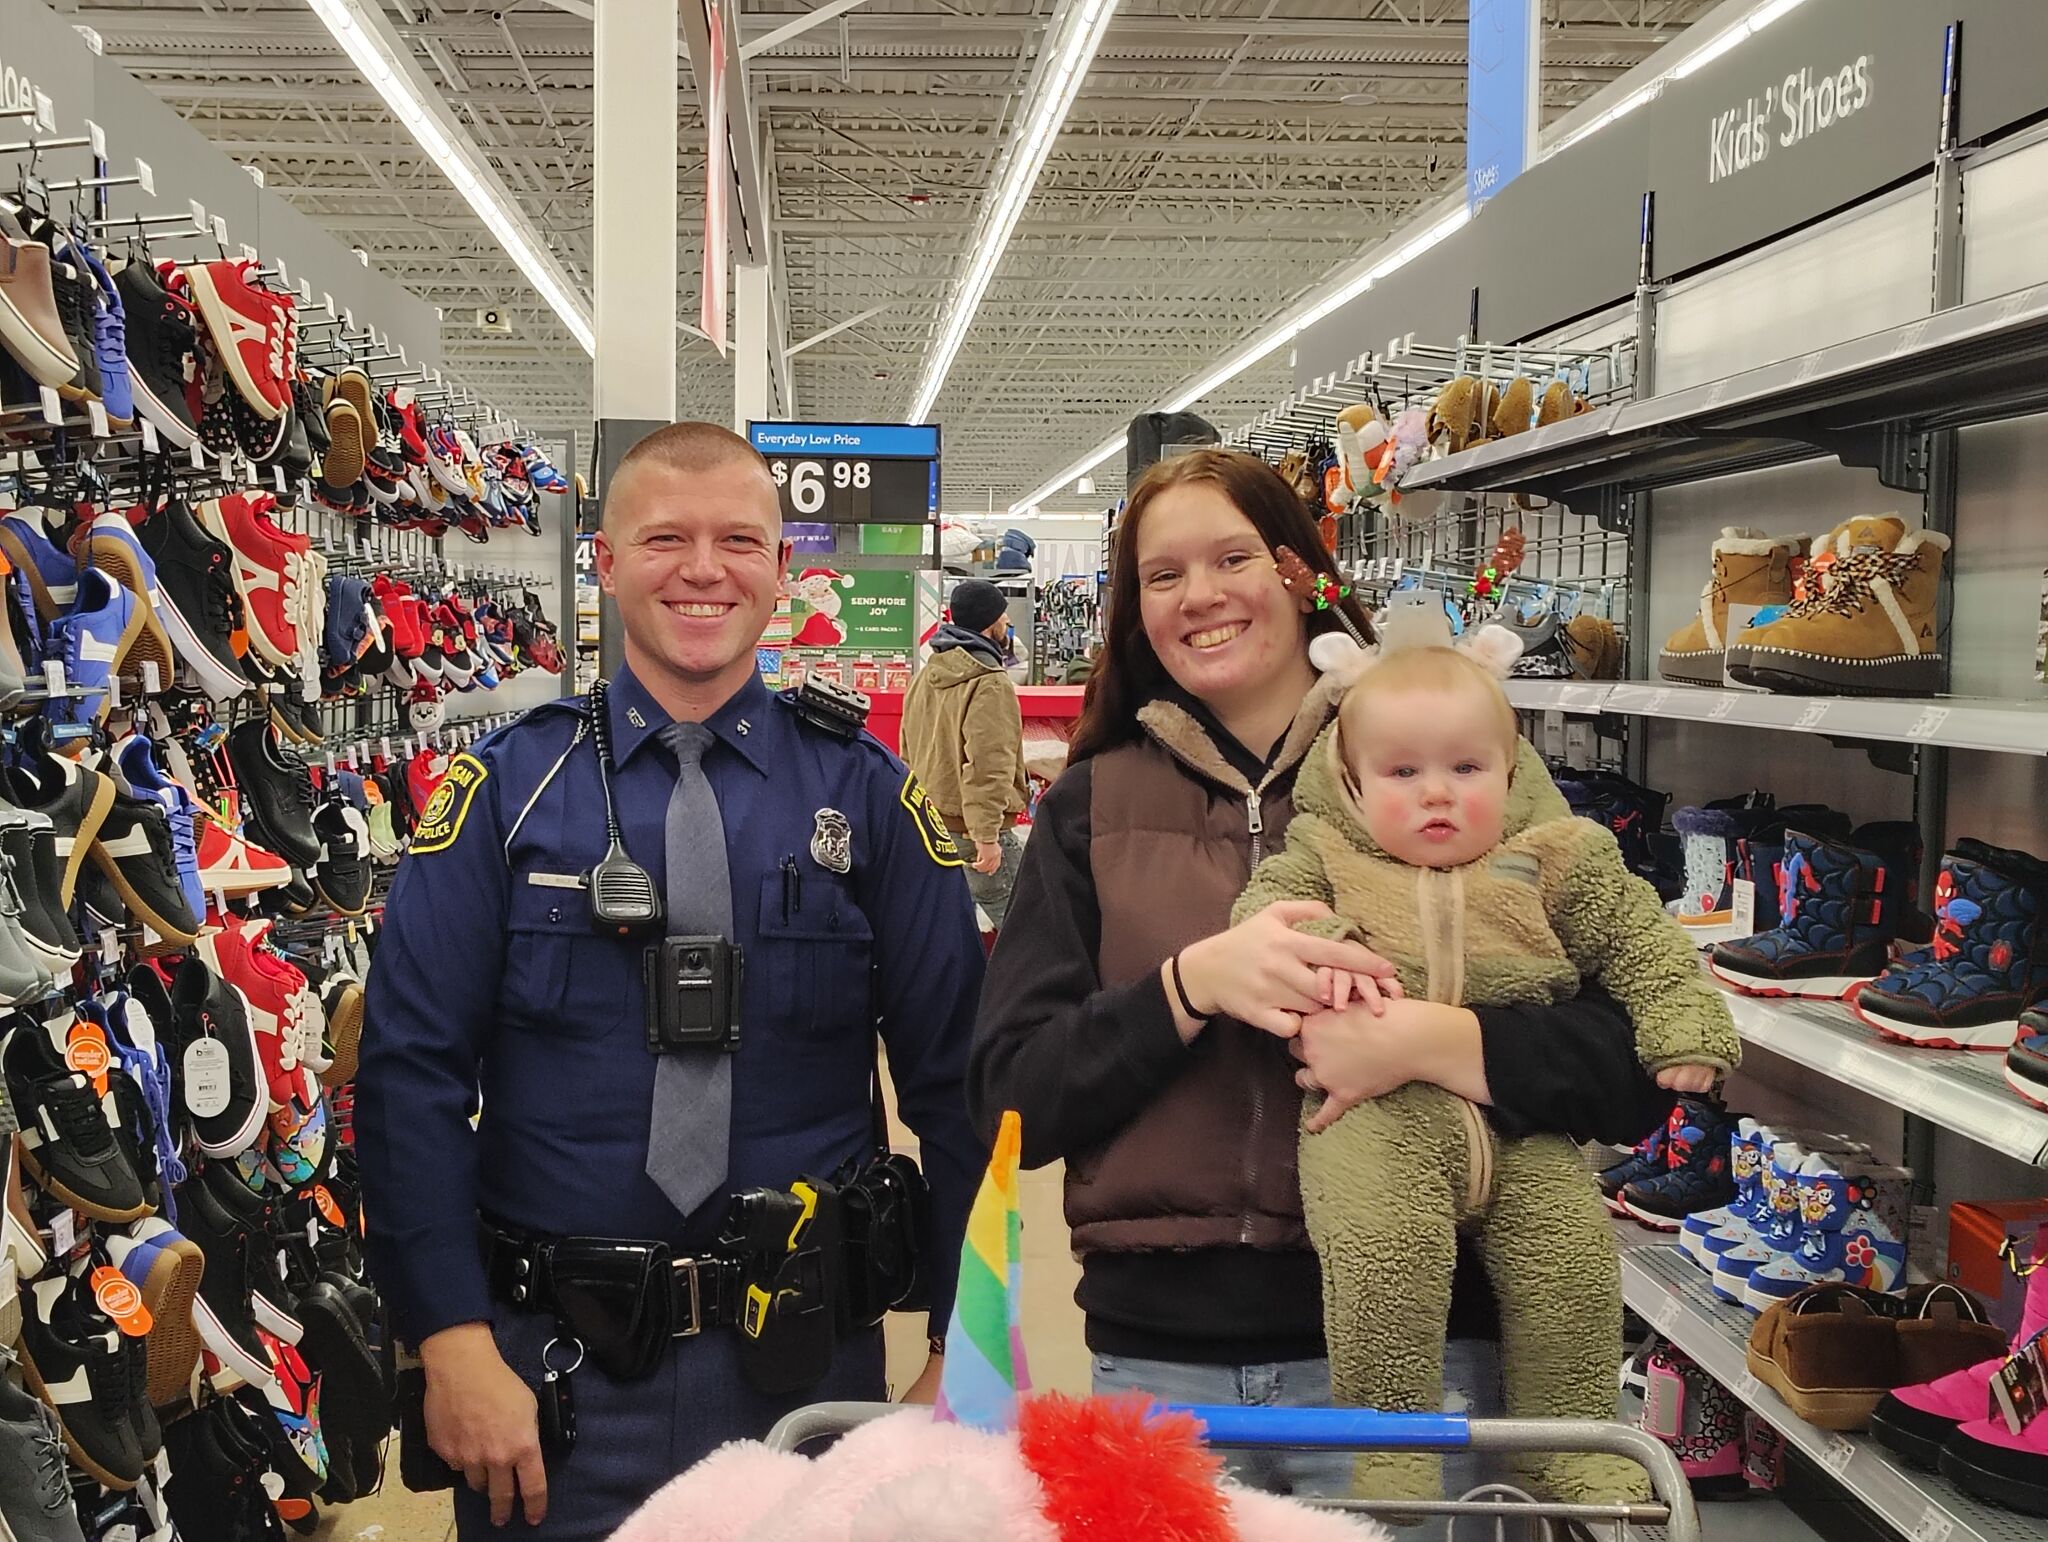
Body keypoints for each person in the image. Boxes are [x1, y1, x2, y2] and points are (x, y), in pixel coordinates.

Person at [968, 448, 1674, 1499]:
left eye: (1231, 557)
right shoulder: (1092, 805)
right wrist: (1188, 988)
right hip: (1161, 1373)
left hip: (1423, 1363)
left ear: (1300, 573)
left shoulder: (1448, 766)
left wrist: (1437, 1044)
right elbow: (1009, 1097)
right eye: (1161, 576)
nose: (1199, 595)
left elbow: (1628, 1068)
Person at [357, 422, 986, 1541]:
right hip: (549, 1384)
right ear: (602, 562)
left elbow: (960, 1093)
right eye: (665, 539)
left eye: (738, 540)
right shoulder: (502, 796)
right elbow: (409, 1081)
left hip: (809, 1382)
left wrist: (962, 1354)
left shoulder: (872, 798)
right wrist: (448, 1340)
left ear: (784, 571)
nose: (704, 569)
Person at [1232, 627, 1738, 1504]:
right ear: (1351, 783)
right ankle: (1391, 1447)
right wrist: (1329, 957)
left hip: (1523, 1125)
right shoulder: (1328, 852)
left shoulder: (1558, 858)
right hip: (1373, 1121)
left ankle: (1573, 1450)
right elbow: (1268, 916)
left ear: (1511, 774)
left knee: (1574, 1270)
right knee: (1381, 1264)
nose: (1437, 793)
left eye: (1466, 770)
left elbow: (1642, 943)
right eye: (1402, 774)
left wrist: (1684, 1025)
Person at [901, 578, 1029, 929]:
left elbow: (907, 752)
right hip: (975, 835)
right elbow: (988, 766)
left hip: (933, 828)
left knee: (943, 934)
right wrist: (985, 837)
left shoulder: (926, 675)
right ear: (991, 622)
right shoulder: (989, 681)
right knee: (1032, 935)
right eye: (1003, 617)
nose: (1006, 624)